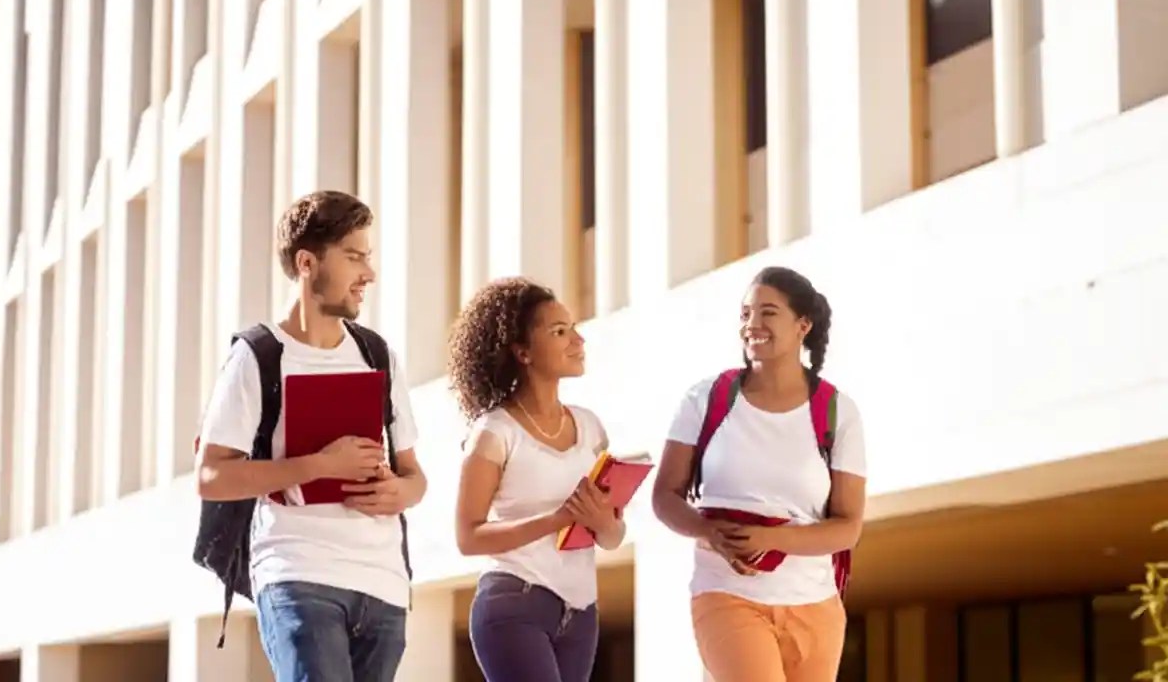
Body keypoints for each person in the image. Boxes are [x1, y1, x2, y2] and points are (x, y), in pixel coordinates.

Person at [194, 191, 428, 682]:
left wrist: (396, 492)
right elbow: (212, 477)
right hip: (298, 575)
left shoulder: (377, 354)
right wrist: (320, 465)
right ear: (307, 262)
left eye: (369, 256)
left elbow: (415, 478)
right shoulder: (258, 356)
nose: (370, 273)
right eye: (355, 256)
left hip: (382, 584)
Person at [650, 266, 867, 682]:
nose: (752, 325)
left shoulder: (838, 412)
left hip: (814, 605)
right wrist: (709, 532)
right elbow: (665, 496)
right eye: (745, 313)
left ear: (802, 325)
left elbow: (847, 527)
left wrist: (770, 539)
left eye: (768, 313)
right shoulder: (706, 399)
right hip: (726, 593)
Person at [448, 277, 625, 682]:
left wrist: (603, 522)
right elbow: (468, 537)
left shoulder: (590, 426)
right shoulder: (495, 432)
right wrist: (558, 519)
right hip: (516, 603)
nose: (577, 340)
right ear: (523, 351)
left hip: (582, 614)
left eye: (575, 328)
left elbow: (613, 537)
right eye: (559, 332)